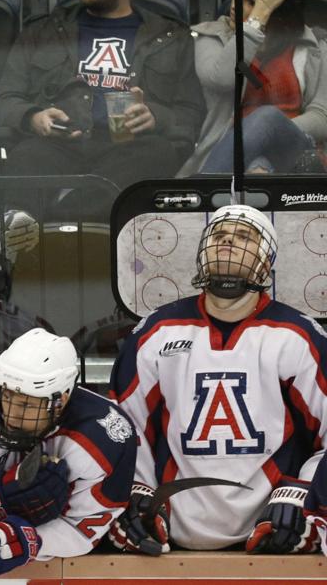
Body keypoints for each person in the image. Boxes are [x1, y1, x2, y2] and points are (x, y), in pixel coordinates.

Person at [109, 204, 327, 553]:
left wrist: (302, 491)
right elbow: (123, 427)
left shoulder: (296, 335)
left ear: (266, 261)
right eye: (219, 236)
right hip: (170, 524)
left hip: (275, 523)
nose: (227, 244)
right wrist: (137, 489)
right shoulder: (157, 331)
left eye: (244, 237)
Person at [0, 0, 204, 217]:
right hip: (58, 144)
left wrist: (155, 116)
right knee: (25, 155)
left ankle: (49, 224)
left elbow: (191, 113)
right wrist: (34, 117)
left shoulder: (170, 37)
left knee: (157, 154)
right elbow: (4, 100)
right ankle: (22, 224)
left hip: (129, 148)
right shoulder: (42, 33)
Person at [0, 328, 136, 576]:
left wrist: (27, 539)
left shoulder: (103, 439)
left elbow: (83, 529)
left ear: (62, 400)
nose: (12, 415)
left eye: (27, 404)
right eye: (7, 396)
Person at [183, 0, 327, 175]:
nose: (234, 7)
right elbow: (221, 78)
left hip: (296, 152)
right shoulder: (211, 36)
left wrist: (270, 130)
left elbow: (322, 116)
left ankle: (203, 190)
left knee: (266, 118)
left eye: (252, 2)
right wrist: (256, 20)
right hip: (230, 154)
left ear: (278, 7)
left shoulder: (315, 45)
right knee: (258, 168)